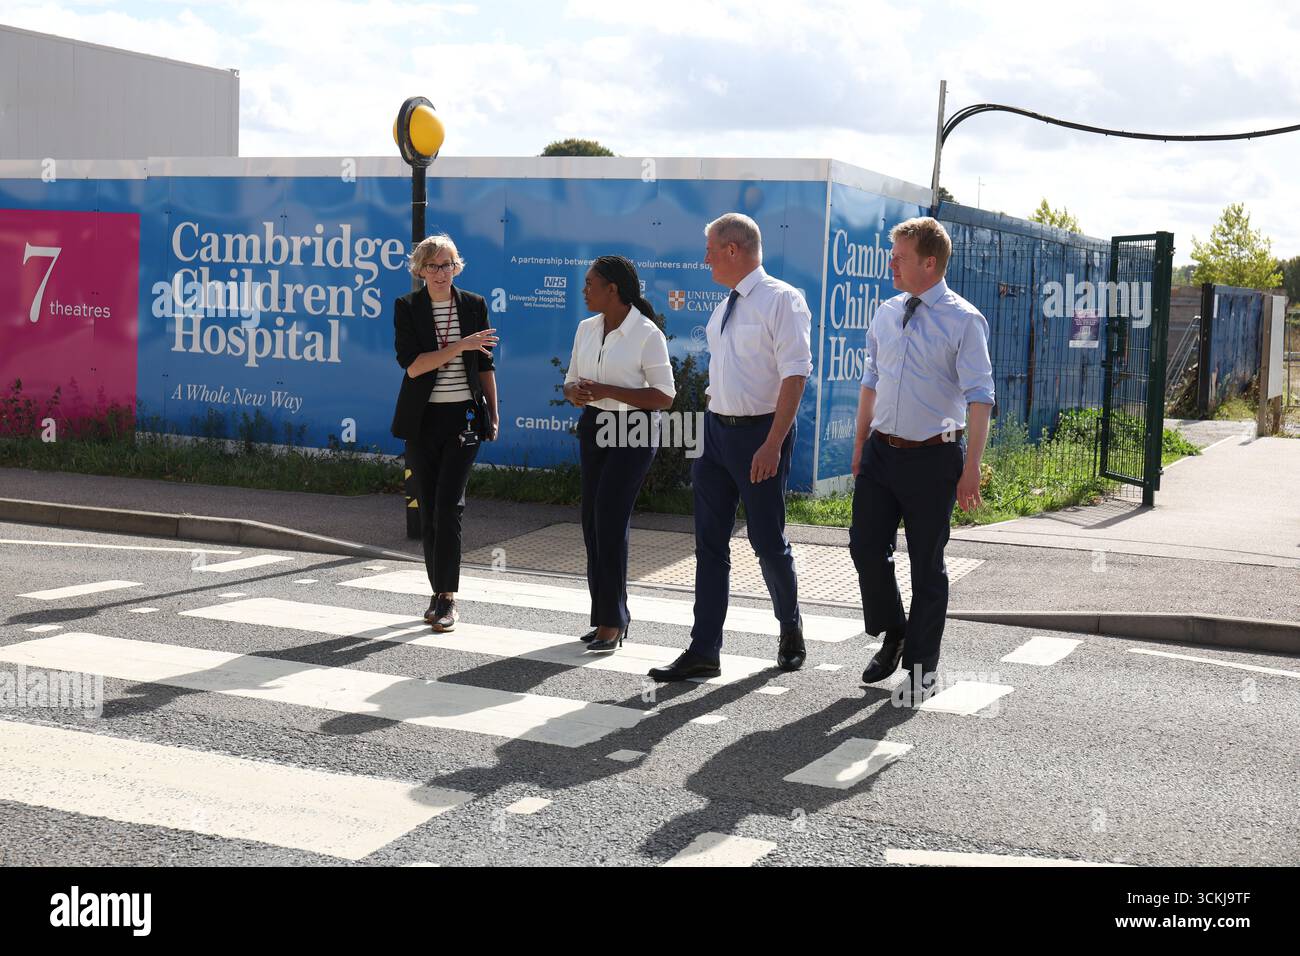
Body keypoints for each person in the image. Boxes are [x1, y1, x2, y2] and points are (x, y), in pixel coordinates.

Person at [649, 213, 812, 682]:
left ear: (734, 250)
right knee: (709, 544)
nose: (704, 259)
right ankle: (704, 649)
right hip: (717, 435)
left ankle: (790, 626)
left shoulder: (782, 300)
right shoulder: (724, 307)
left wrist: (773, 444)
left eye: (710, 250)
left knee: (766, 541)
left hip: (761, 435)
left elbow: (795, 374)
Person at [850, 216, 994, 702]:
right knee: (865, 548)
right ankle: (895, 630)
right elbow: (871, 379)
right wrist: (859, 444)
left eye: (901, 256)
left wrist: (970, 466)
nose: (891, 262)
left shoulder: (963, 320)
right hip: (880, 452)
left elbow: (980, 397)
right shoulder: (886, 312)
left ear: (929, 263)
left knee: (926, 567)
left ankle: (920, 672)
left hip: (933, 458)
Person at [563, 256, 675, 654]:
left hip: (636, 429)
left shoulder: (647, 334)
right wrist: (575, 392)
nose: (584, 289)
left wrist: (609, 390)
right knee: (592, 522)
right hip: (595, 426)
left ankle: (613, 622)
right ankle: (604, 617)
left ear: (613, 289)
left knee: (609, 519)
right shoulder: (586, 328)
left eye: (590, 283)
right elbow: (572, 383)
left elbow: (664, 396)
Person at [390, 234, 499, 632]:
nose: (441, 272)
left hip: (464, 419)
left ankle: (449, 599)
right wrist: (461, 345)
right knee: (430, 509)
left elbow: (485, 364)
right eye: (433, 265)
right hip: (422, 421)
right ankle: (436, 592)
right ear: (420, 270)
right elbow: (414, 367)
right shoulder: (408, 307)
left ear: (458, 267)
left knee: (449, 507)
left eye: (448, 264)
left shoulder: (473, 305)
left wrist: (494, 411)